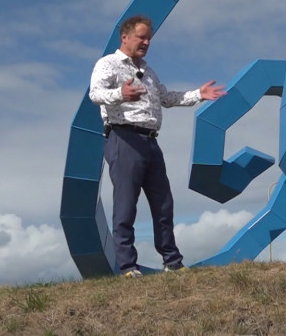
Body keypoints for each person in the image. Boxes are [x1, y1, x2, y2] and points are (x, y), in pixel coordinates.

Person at [89, 14, 226, 277]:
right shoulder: (108, 64)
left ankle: (172, 261)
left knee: (163, 204)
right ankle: (128, 266)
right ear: (125, 37)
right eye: (141, 37)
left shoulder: (149, 70)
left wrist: (198, 95)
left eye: (149, 38)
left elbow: (165, 97)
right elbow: (95, 94)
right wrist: (121, 94)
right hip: (124, 138)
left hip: (151, 141)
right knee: (126, 205)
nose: (146, 42)